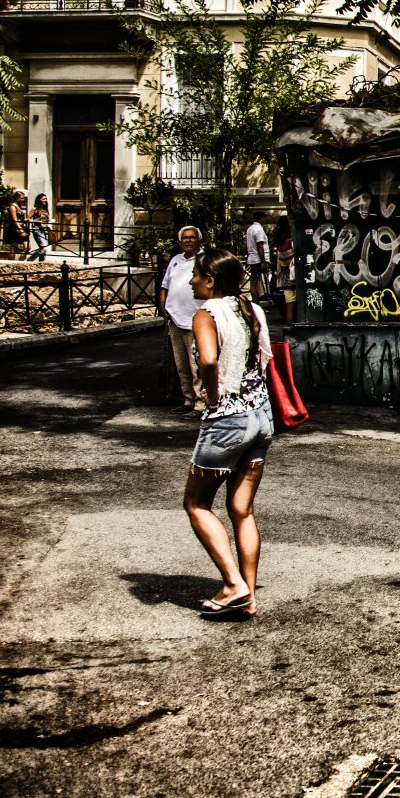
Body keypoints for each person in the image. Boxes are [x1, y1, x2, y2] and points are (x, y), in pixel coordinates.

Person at [183, 248, 273, 620]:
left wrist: (211, 392)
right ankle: (248, 596)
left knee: (196, 504)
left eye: (195, 275)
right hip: (261, 417)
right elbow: (264, 358)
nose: (191, 281)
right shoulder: (253, 309)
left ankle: (233, 584)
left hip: (228, 421)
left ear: (210, 280)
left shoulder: (206, 314)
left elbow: (208, 361)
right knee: (241, 509)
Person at [158, 226, 206, 413]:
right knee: (181, 364)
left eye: (192, 237)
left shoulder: (204, 260)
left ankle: (201, 403)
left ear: (198, 240)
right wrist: (163, 304)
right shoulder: (175, 260)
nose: (188, 241)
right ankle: (187, 399)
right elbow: (165, 285)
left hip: (194, 319)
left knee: (197, 364)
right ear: (179, 241)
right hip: (175, 319)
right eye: (184, 238)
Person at [244, 210, 272, 301]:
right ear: (260, 218)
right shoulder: (258, 230)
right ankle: (257, 303)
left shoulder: (250, 229)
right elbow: (260, 246)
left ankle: (256, 302)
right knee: (258, 283)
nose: (266, 219)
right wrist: (263, 261)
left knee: (254, 283)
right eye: (264, 217)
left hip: (252, 258)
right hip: (258, 260)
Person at [25, 193, 52, 261]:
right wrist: (36, 221)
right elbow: (27, 219)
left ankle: (41, 263)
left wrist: (50, 220)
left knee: (44, 249)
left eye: (46, 199)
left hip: (44, 230)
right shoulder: (35, 209)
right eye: (43, 199)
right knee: (44, 248)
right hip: (37, 230)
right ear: (39, 200)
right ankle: (30, 260)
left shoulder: (45, 210)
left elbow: (45, 220)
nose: (45, 200)